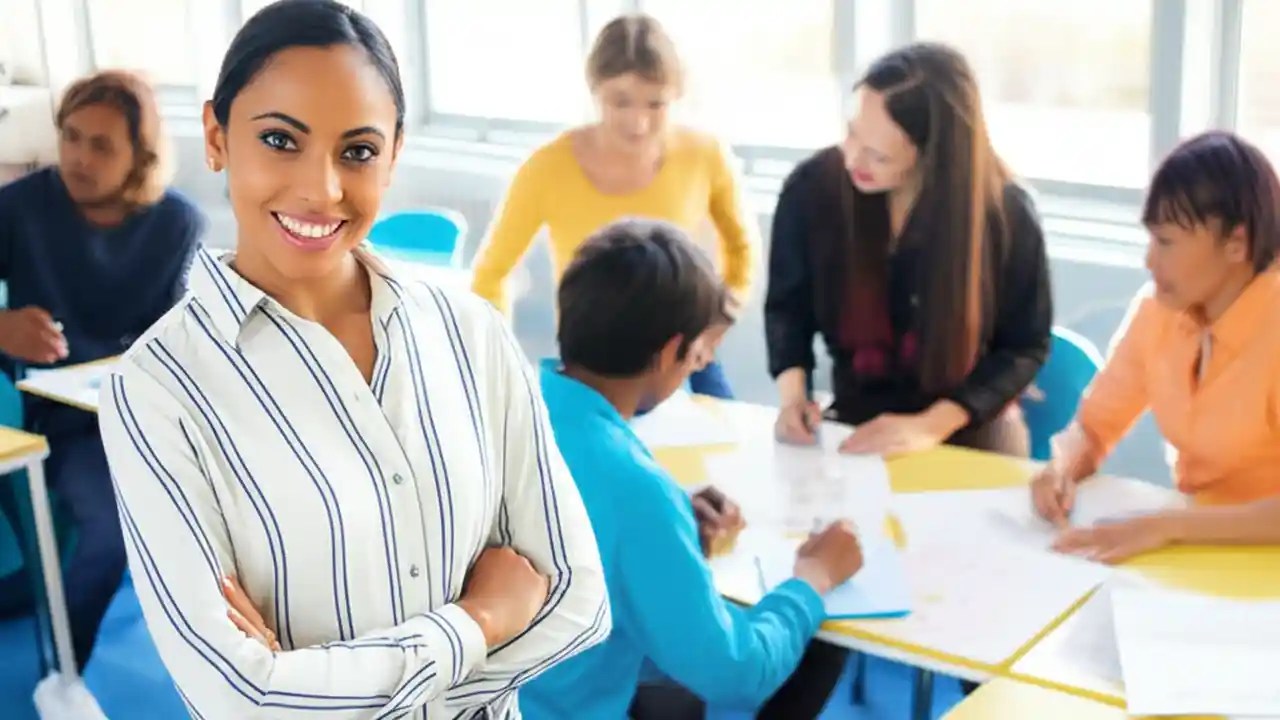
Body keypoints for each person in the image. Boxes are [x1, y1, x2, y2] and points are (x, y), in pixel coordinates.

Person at [96, 2, 608, 718]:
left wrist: (314, 686)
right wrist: (480, 621)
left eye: (358, 151)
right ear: (216, 136)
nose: (322, 188)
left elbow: (577, 599)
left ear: (395, 154)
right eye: (280, 139)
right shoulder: (157, 391)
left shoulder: (470, 333)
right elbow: (238, 697)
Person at [523, 218, 863, 720]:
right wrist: (812, 578)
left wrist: (674, 518)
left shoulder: (506, 404)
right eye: (697, 355)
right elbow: (735, 673)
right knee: (811, 645)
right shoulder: (636, 491)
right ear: (666, 353)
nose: (697, 367)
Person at [0, 69, 204, 671]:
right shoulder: (21, 206)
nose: (77, 158)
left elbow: (179, 339)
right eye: (70, 136)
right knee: (111, 530)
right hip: (56, 419)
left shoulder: (178, 224)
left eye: (101, 145)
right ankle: (62, 676)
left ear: (139, 158)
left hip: (146, 409)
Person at [765, 42, 1052, 457]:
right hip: (855, 421)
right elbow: (787, 308)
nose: (851, 159)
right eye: (851, 133)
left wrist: (930, 426)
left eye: (877, 155)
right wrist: (793, 398)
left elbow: (1025, 345)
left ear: (934, 157)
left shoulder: (1006, 214)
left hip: (968, 425)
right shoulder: (812, 190)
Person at [469, 13, 757, 399]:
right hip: (592, 369)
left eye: (656, 104)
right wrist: (499, 363)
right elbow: (491, 274)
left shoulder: (705, 155)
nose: (638, 122)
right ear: (595, 90)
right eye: (620, 102)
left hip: (682, 360)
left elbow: (742, 249)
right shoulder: (547, 167)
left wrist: (717, 324)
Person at [1034, 131, 1280, 564]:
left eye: (1165, 242)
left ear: (1236, 244)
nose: (1149, 261)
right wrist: (1060, 466)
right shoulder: (1160, 310)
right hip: (1199, 549)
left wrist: (1168, 526)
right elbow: (1093, 428)